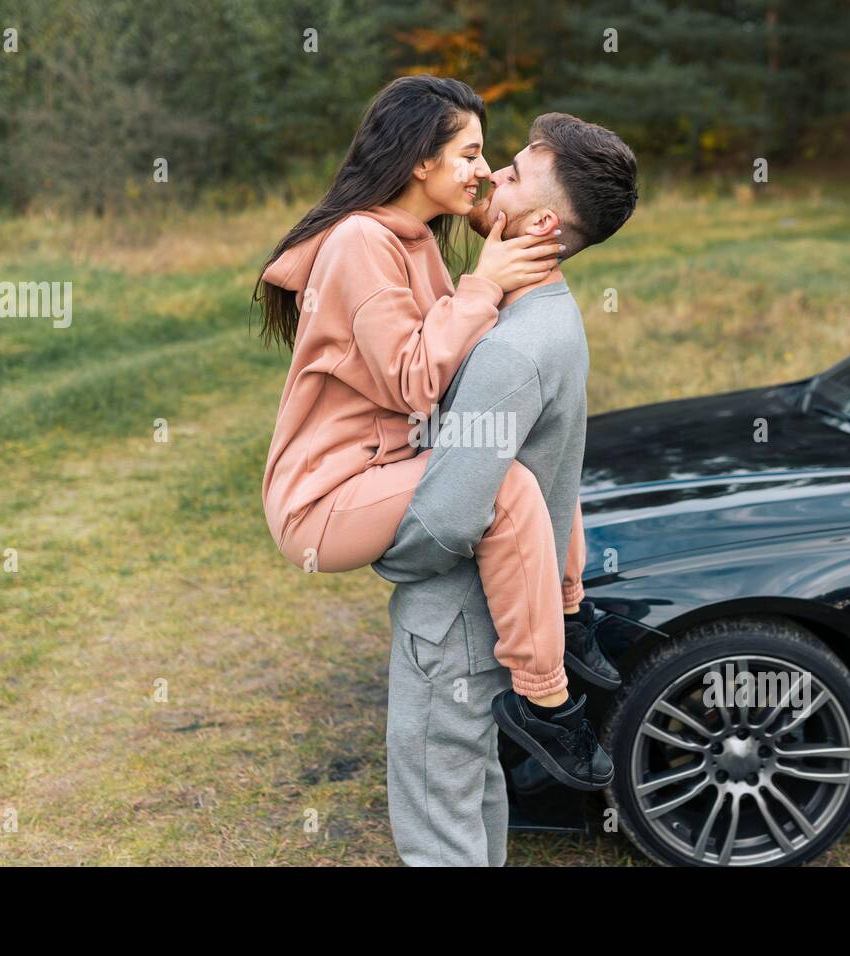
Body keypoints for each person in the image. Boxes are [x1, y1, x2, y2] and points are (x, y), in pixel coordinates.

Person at [255, 77, 621, 784]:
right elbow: (415, 380)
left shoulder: (415, 239)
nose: (484, 172)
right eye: (471, 155)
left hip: (386, 465)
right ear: (421, 160)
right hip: (324, 497)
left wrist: (495, 272)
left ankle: (569, 615)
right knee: (510, 489)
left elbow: (445, 364)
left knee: (534, 445)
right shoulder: (360, 241)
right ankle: (546, 701)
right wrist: (483, 285)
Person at [373, 111, 640, 865]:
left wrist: (388, 559)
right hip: (496, 608)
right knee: (471, 794)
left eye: (515, 174)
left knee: (437, 821)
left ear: (543, 220)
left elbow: (452, 514)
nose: (494, 174)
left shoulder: (512, 351)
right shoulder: (550, 312)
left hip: (453, 621)